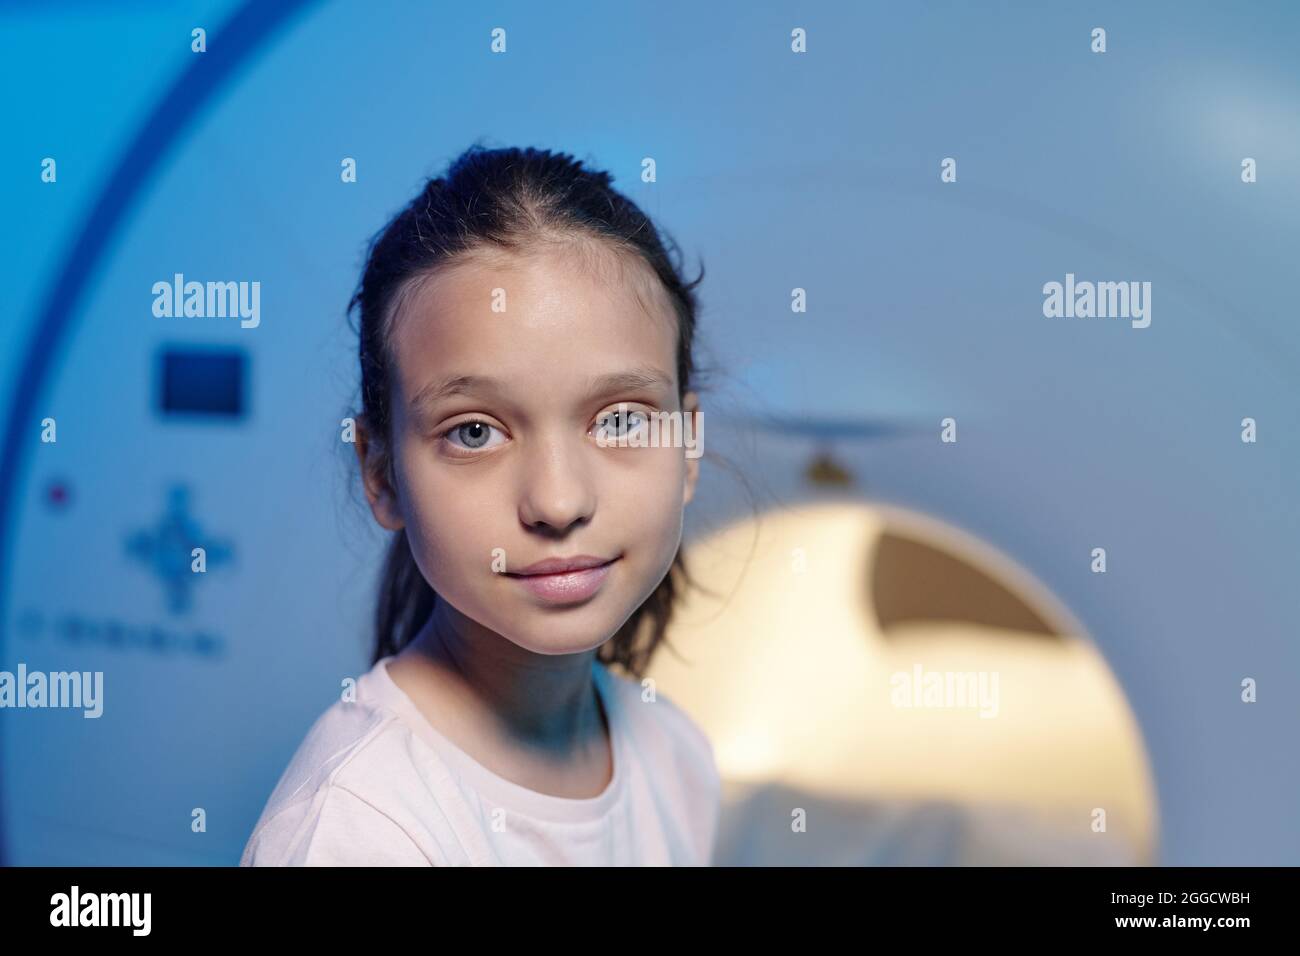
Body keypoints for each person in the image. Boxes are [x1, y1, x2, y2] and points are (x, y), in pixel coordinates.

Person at [241, 143, 720, 865]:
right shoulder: (358, 830)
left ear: (687, 446)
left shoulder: (676, 757)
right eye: (474, 432)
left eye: (620, 419)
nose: (558, 502)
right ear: (382, 474)